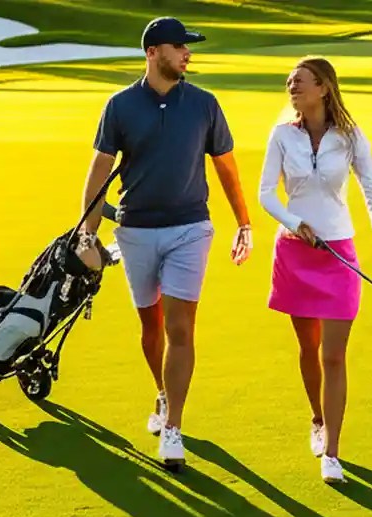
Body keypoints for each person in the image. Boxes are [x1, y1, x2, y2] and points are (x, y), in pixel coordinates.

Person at [79, 16, 253, 472]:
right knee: (151, 327)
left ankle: (172, 427)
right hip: (135, 229)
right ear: (153, 52)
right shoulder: (120, 106)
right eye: (179, 47)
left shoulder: (204, 104)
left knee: (180, 327)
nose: (187, 54)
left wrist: (243, 222)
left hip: (189, 227)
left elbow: (226, 167)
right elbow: (100, 170)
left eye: (188, 48)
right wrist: (86, 230)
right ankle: (162, 390)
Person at [257, 56, 372, 484]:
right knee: (309, 349)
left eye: (299, 80)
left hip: (338, 255)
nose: (291, 86)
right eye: (289, 81)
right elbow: (265, 193)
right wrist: (293, 223)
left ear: (323, 88)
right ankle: (317, 418)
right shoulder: (281, 135)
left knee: (334, 355)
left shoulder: (350, 138)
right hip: (296, 253)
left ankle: (332, 452)